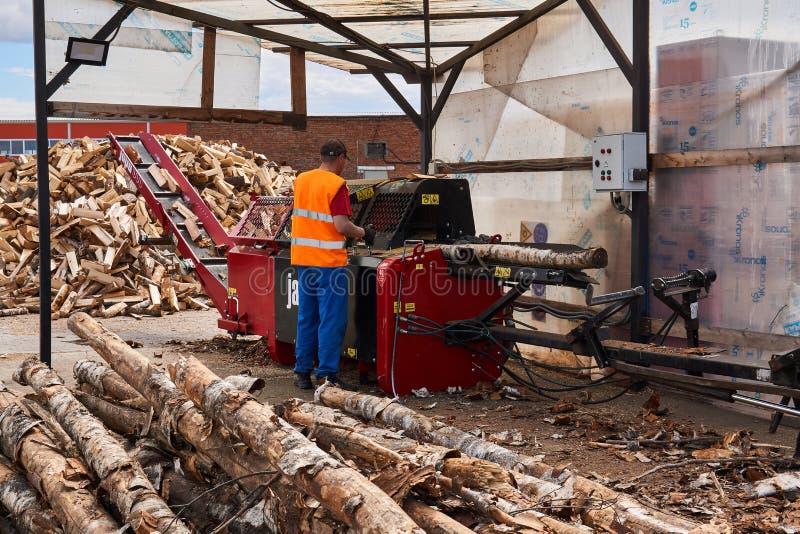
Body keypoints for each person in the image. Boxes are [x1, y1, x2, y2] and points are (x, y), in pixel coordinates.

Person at [291, 140, 375, 390]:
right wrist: (362, 232)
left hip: (304, 260)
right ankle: (327, 375)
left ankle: (302, 373)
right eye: (345, 160)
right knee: (331, 321)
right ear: (340, 157)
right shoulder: (337, 185)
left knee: (307, 318)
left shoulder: (301, 180)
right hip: (328, 264)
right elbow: (341, 225)